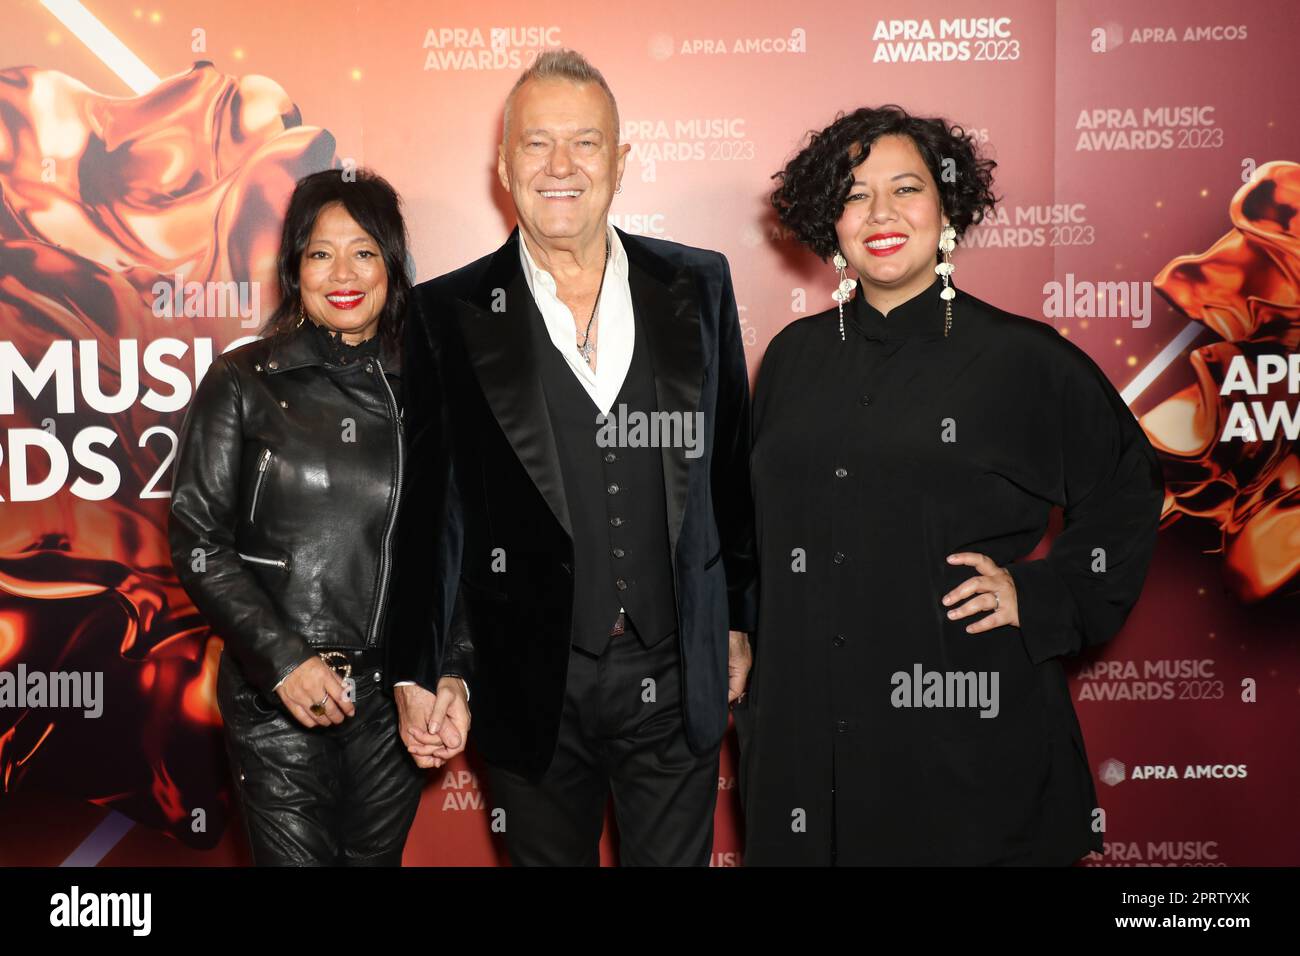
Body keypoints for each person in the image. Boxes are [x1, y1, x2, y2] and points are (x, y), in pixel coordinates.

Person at [738, 105, 1165, 865]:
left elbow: (1129, 488)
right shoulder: (793, 359)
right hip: (808, 744)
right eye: (855, 193)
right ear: (829, 222)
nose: (881, 213)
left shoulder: (1019, 359)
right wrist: (737, 631)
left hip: (963, 736)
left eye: (907, 189)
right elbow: (749, 525)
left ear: (947, 210)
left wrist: (1040, 595)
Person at [389, 49, 756, 866]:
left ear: (621, 162)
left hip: (672, 674)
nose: (561, 167)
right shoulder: (447, 312)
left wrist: (736, 619)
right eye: (537, 144)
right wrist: (424, 667)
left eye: (586, 143)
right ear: (503, 164)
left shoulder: (698, 284)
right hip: (529, 684)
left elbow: (729, 467)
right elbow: (431, 514)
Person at [169, 168, 470, 866]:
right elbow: (199, 541)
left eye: (364, 250)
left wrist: (449, 671)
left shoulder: (435, 390)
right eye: (321, 252)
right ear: (295, 267)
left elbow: (458, 550)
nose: (344, 272)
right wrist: (282, 662)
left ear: (392, 265)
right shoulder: (243, 381)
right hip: (279, 702)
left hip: (395, 702)